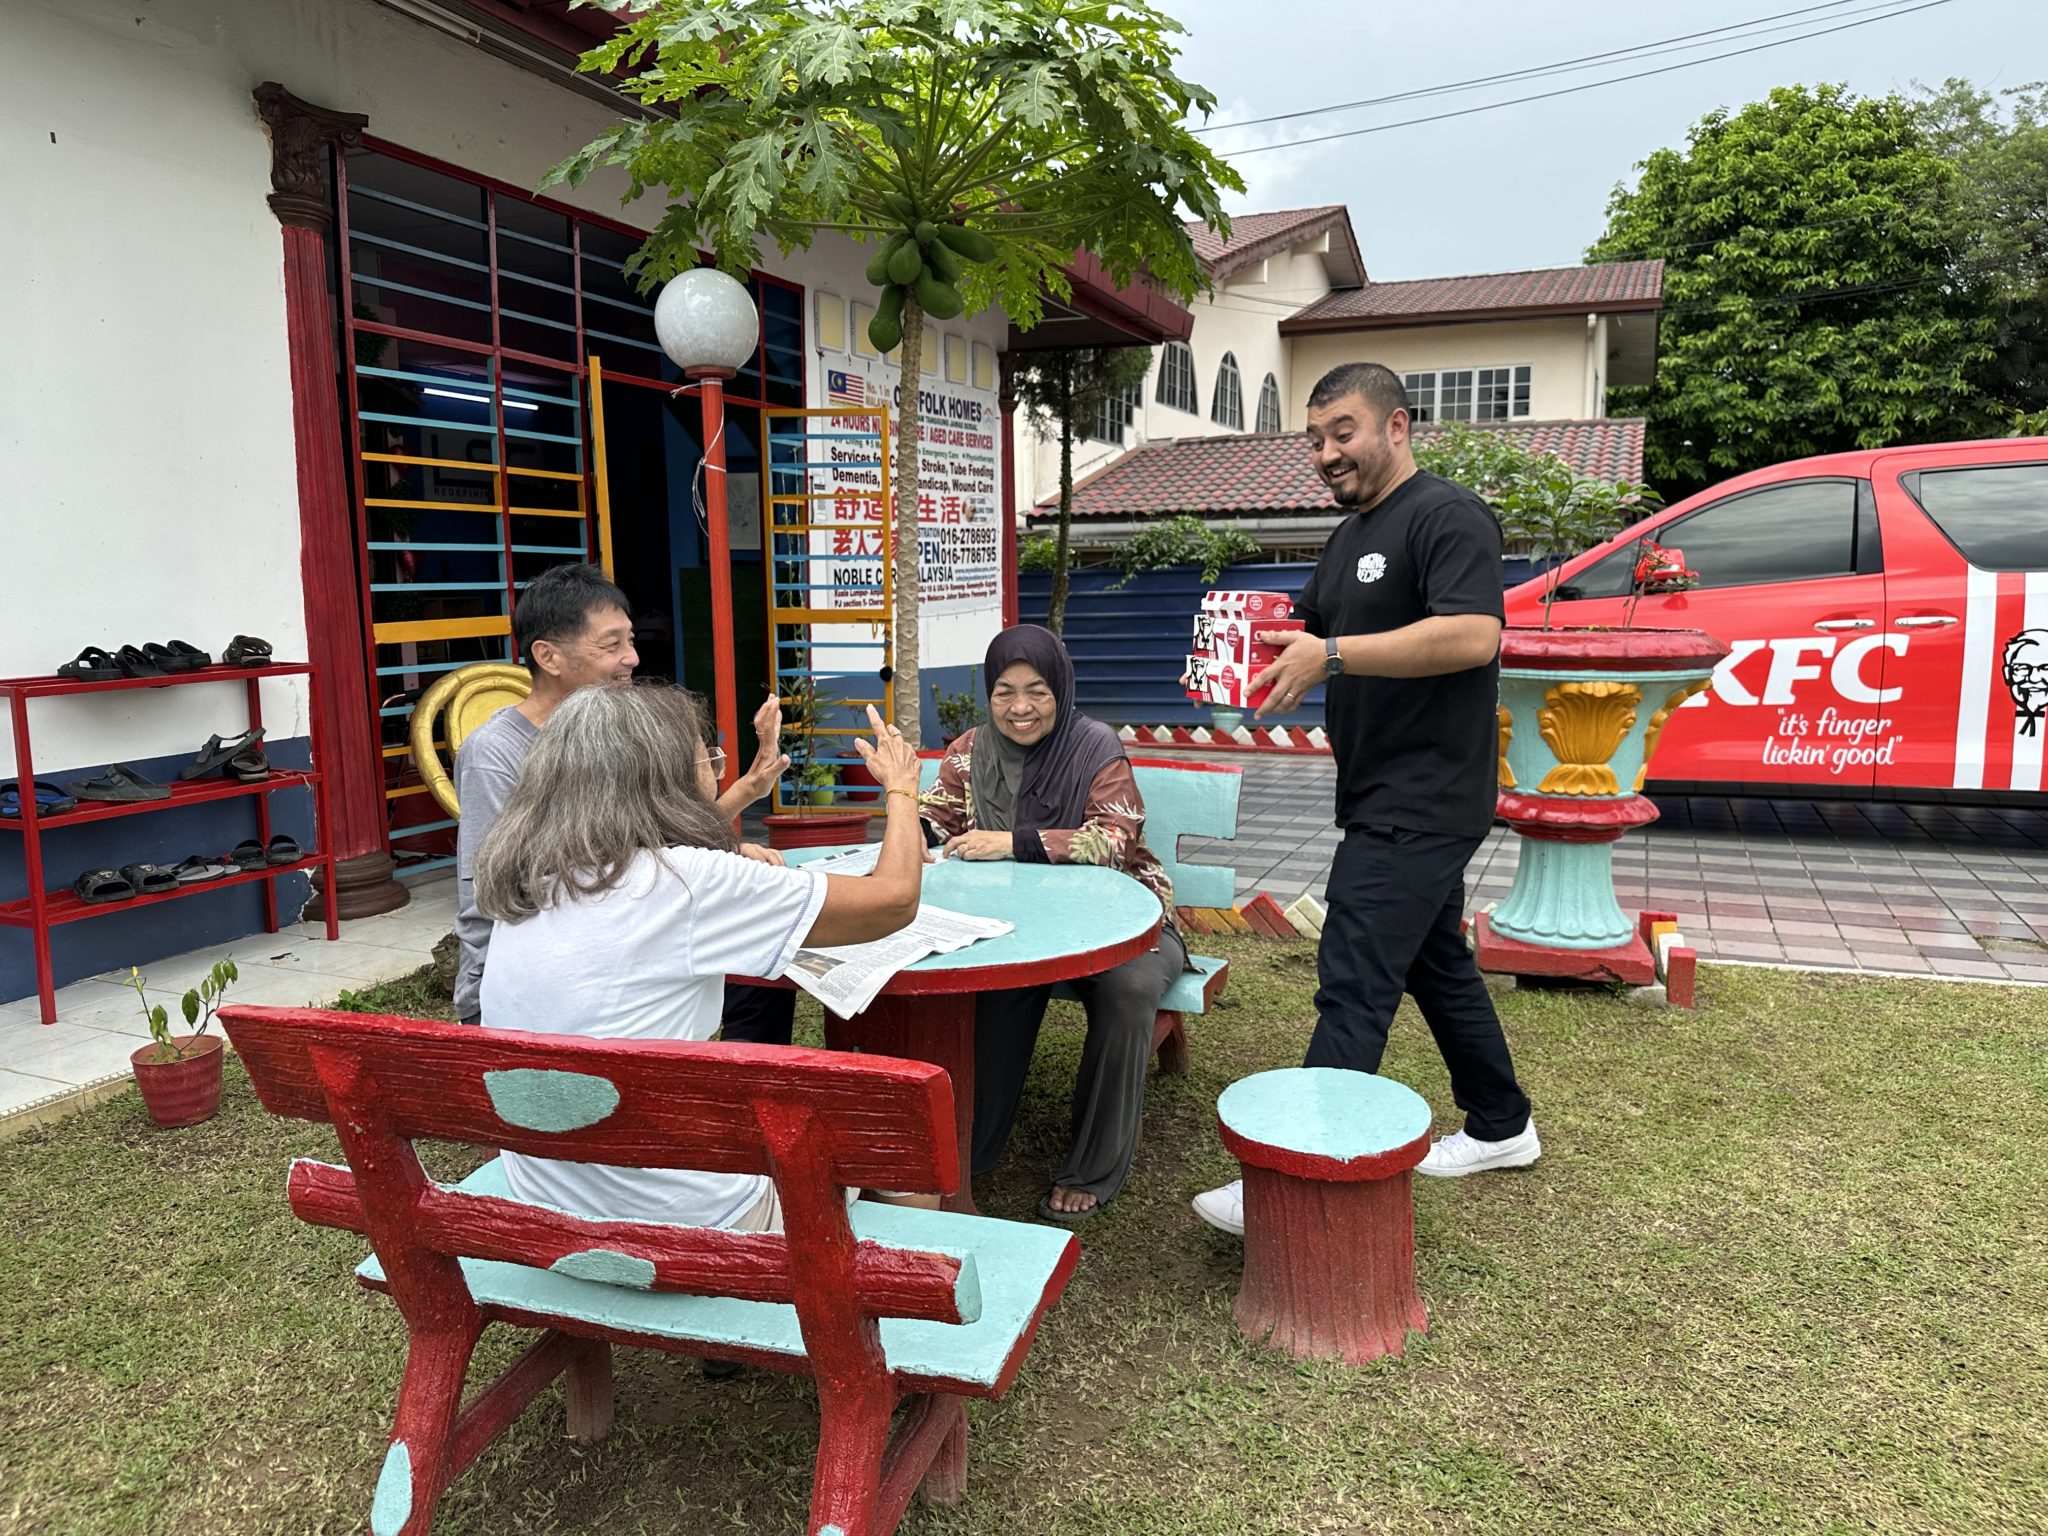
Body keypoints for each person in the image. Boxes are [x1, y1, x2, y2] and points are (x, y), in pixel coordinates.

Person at [1193, 362, 1538, 1238]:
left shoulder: (1446, 515)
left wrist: (1334, 657)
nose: (1326, 452)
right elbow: (1308, 632)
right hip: (1377, 788)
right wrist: (1245, 646)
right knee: (1433, 962)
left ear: (1396, 426)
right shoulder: (1348, 538)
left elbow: (1472, 633)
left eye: (1341, 431)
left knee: (1352, 975)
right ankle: (1503, 1125)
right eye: (1313, 439)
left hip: (1426, 794)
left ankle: (1291, 1178)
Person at [472, 685, 926, 1230]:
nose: (714, 769)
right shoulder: (685, 884)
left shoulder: (531, 879)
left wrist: (741, 802)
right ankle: (888, 1292)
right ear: (664, 781)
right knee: (901, 1139)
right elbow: (894, 898)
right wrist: (902, 790)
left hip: (553, 1203)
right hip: (687, 1221)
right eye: (707, 758)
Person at [450, 563, 793, 1046]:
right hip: (556, 961)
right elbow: (491, 890)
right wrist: (483, 1001)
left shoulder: (620, 731)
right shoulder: (496, 752)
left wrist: (743, 798)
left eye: (630, 641)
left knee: (764, 969)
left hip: (625, 938)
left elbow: (652, 843)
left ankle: (740, 1090)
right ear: (548, 656)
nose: (631, 658)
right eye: (611, 645)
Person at [920, 624, 1190, 1222]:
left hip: (1126, 924)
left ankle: (1093, 1166)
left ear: (1061, 689)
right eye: (1005, 692)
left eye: (1037, 691)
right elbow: (934, 818)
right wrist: (907, 832)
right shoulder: (969, 750)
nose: (1020, 708)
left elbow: (1115, 842)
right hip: (1019, 924)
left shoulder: (1095, 747)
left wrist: (1015, 842)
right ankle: (974, 1146)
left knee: (1128, 992)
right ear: (988, 694)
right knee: (996, 983)